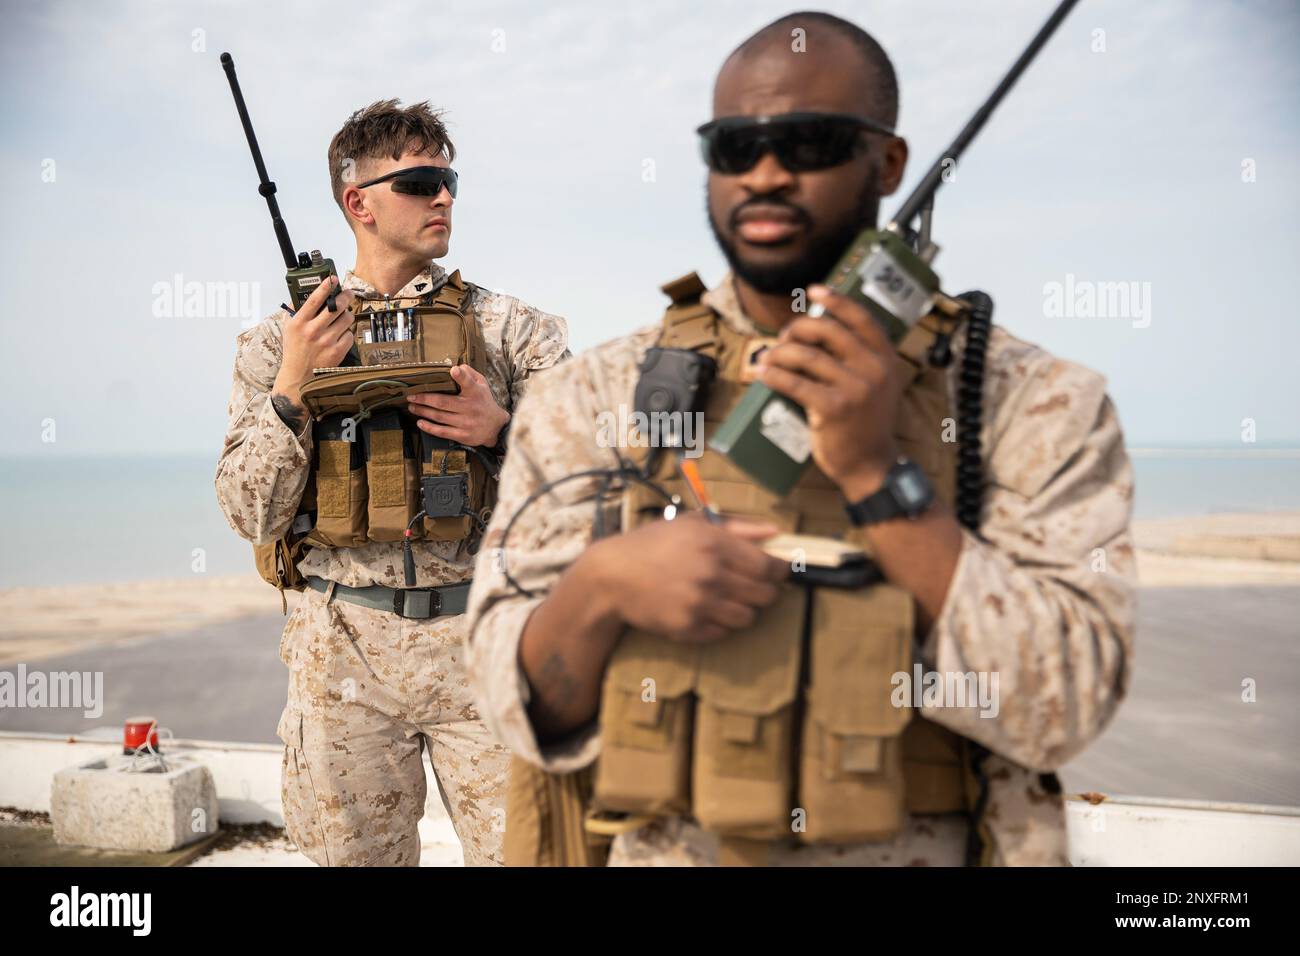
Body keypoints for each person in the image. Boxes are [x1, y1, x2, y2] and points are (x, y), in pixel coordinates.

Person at [465, 12, 1134, 866]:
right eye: (734, 148)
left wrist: (874, 472)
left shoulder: (1031, 402)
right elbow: (505, 696)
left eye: (810, 143)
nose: (767, 173)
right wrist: (600, 588)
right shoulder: (592, 393)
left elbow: (1063, 706)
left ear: (890, 163)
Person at [216, 99, 568, 866]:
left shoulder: (513, 331)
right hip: (341, 652)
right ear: (358, 203)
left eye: (448, 178)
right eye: (418, 181)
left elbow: (590, 496)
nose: (443, 196)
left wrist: (502, 430)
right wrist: (293, 387)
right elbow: (249, 510)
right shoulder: (278, 342)